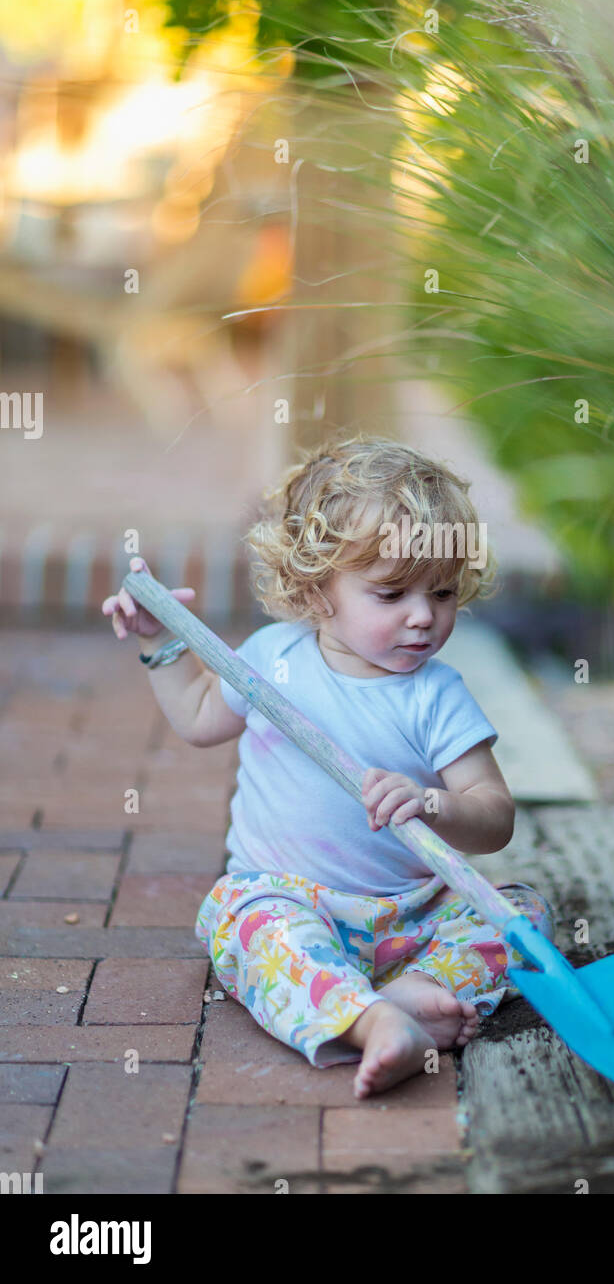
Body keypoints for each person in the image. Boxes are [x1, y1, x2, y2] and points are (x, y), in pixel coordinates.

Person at [103, 435, 554, 1098]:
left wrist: (435, 804)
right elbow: (201, 717)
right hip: (290, 899)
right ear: (318, 591)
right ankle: (372, 1021)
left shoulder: (438, 694)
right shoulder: (273, 659)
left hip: (410, 916)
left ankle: (410, 996)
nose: (423, 617)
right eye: (392, 593)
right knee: (253, 925)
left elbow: (495, 818)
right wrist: (159, 639)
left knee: (522, 913)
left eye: (444, 593)